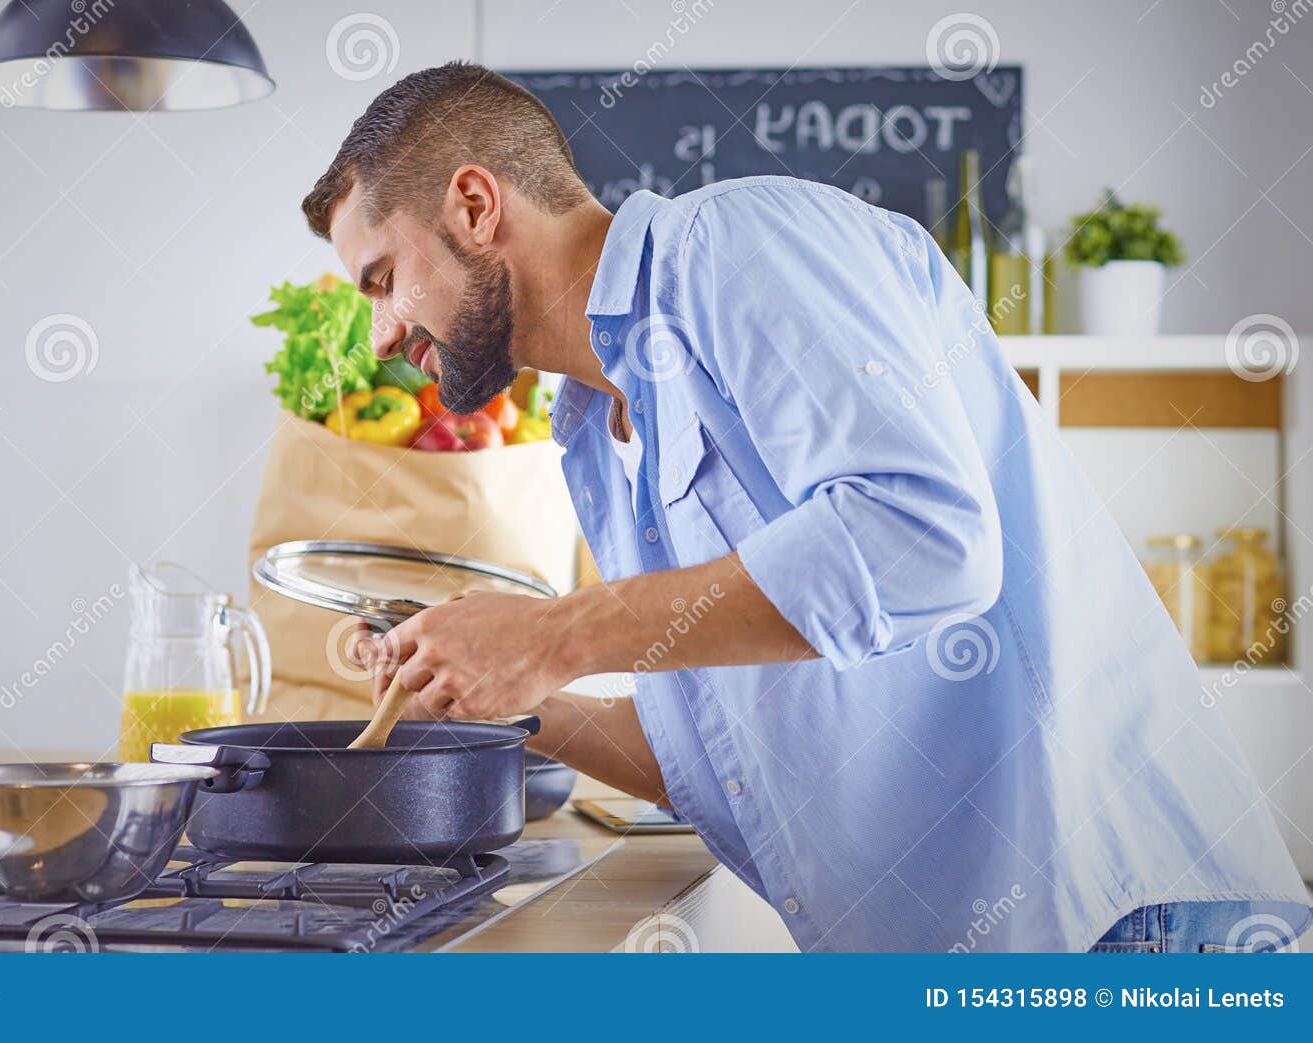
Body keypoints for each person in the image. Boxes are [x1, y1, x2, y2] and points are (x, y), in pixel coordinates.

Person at [300, 61, 1311, 952]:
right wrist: (516, 699)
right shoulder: (591, 439)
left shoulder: (730, 244)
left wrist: (550, 633)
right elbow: (723, 755)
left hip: (1119, 928)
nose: (384, 332)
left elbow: (931, 541)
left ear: (475, 206)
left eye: (382, 278)